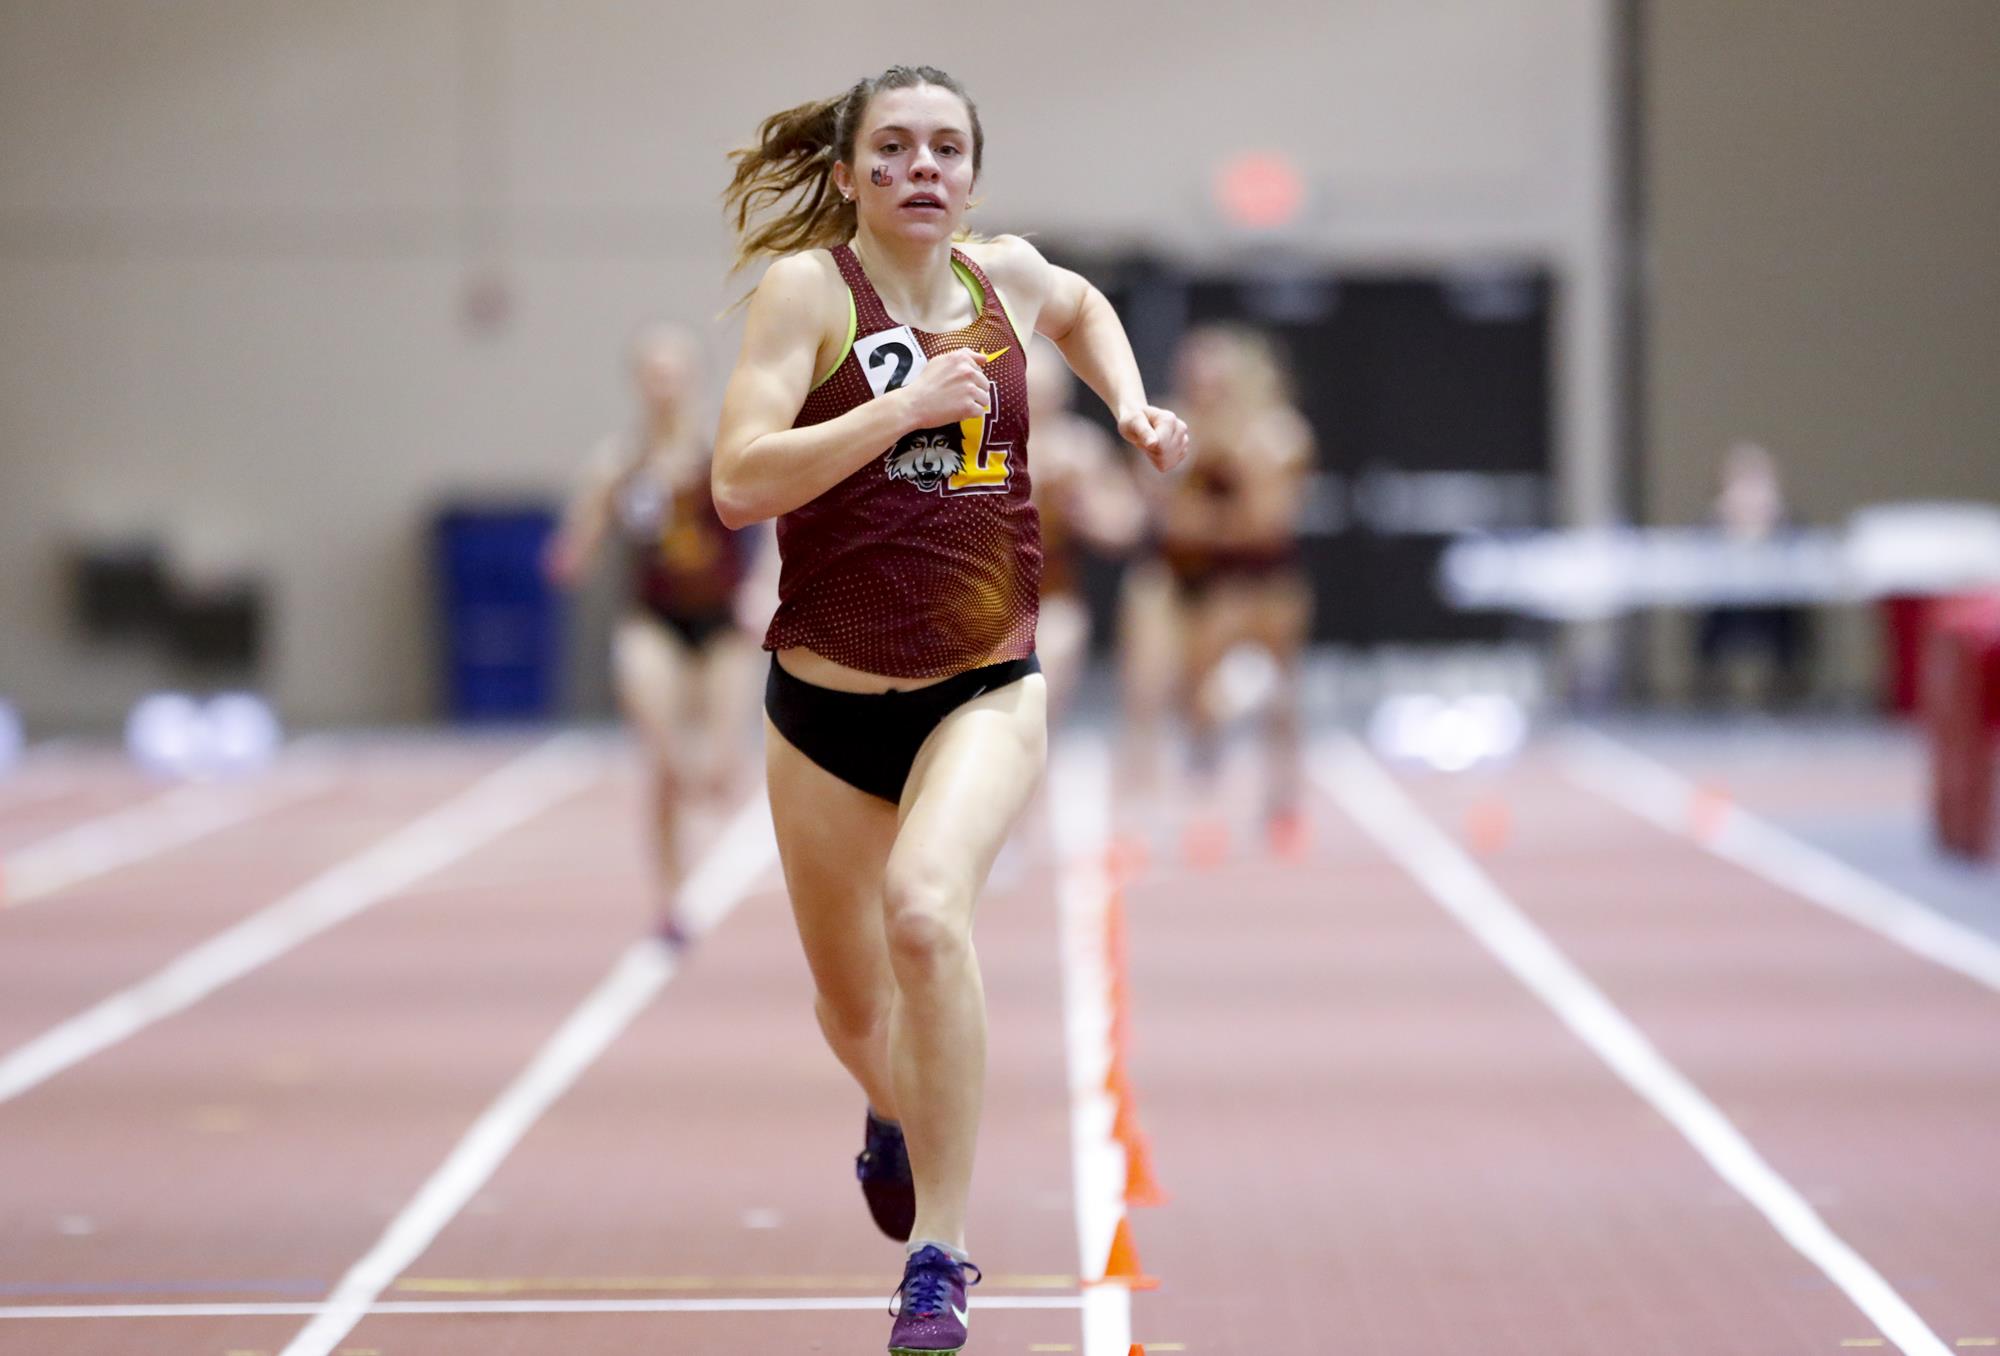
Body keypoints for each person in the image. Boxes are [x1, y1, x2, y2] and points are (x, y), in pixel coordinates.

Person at [711, 65, 1186, 1356]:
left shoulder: (1008, 279)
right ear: (857, 169)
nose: (924, 167)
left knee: (927, 914)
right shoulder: (809, 293)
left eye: (947, 149)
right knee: (855, 1014)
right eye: (897, 147)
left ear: (972, 173)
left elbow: (1082, 309)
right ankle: (891, 1113)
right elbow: (740, 483)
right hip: (822, 703)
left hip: (984, 687)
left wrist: (1129, 398)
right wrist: (899, 410)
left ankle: (942, 1255)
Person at [545, 324, 761, 944]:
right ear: (639, 383)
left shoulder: (724, 449)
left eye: (675, 374)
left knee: (717, 774)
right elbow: (577, 543)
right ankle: (672, 901)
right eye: (653, 375)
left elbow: (776, 524)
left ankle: (711, 771)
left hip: (722, 625)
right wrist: (572, 552)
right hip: (653, 621)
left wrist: (761, 589)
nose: (664, 387)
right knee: (662, 758)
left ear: (694, 379)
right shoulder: (620, 461)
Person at [1156, 325, 1314, 848]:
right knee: (1198, 694)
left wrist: (1203, 518)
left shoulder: (1278, 433)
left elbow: (1269, 519)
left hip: (1267, 578)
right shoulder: (1185, 428)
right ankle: (1207, 789)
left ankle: (1284, 799)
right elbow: (1166, 512)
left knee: (1280, 693)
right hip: (1210, 581)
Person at [1025, 340, 1146, 717]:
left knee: (1039, 693)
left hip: (1052, 596)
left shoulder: (1079, 446)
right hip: (976, 597)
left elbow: (1127, 525)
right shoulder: (972, 440)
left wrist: (1081, 510)